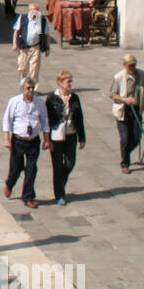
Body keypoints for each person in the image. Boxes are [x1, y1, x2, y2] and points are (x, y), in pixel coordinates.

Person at [2, 78, 50, 207]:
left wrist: (46, 140)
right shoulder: (14, 102)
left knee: (31, 169)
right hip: (18, 140)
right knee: (16, 168)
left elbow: (45, 121)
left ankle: (28, 196)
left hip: (33, 141)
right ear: (22, 89)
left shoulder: (39, 102)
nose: (31, 90)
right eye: (28, 88)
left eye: (32, 88)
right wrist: (7, 139)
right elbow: (7, 120)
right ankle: (9, 183)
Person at [110, 53, 144, 173]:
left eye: (133, 65)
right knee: (125, 138)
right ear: (125, 65)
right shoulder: (119, 77)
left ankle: (125, 152)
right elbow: (112, 94)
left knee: (137, 137)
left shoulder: (142, 75)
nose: (132, 68)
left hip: (137, 110)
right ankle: (125, 163)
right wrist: (124, 99)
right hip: (123, 110)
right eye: (129, 66)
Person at [45, 70, 86, 205]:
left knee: (70, 162)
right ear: (60, 83)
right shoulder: (52, 98)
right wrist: (47, 139)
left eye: (71, 81)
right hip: (56, 136)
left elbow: (79, 118)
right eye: (68, 81)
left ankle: (59, 184)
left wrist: (82, 137)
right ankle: (59, 194)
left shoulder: (75, 98)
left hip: (71, 134)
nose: (70, 84)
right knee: (57, 165)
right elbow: (47, 120)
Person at [12, 2, 51, 87]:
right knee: (22, 68)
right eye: (33, 11)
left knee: (34, 69)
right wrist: (14, 44)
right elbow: (16, 31)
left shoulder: (42, 21)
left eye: (37, 11)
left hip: (35, 47)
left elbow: (47, 34)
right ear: (29, 11)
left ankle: (33, 88)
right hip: (23, 47)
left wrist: (47, 48)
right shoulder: (22, 18)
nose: (35, 14)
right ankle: (23, 85)